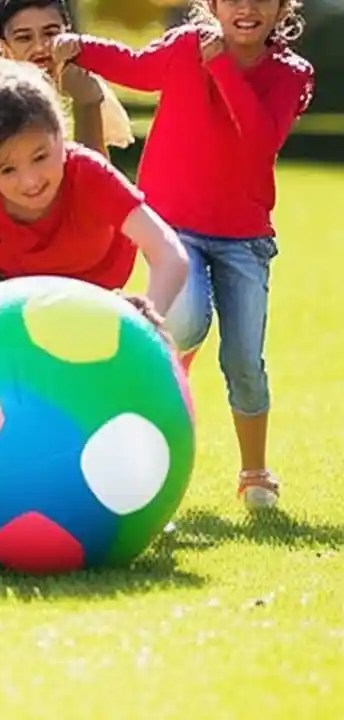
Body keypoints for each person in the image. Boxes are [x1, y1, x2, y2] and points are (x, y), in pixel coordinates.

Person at [52, 0, 314, 510]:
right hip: (176, 226)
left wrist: (218, 64)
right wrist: (81, 46)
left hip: (244, 238)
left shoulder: (290, 74)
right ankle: (160, 389)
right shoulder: (182, 48)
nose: (247, 8)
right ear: (213, 6)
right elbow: (134, 66)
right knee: (187, 319)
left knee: (244, 362)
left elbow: (260, 139)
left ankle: (254, 471)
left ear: (282, 8)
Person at [0, 55, 188, 321]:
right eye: (7, 170)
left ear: (61, 134)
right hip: (26, 303)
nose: (30, 181)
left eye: (40, 157)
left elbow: (169, 255)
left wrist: (146, 319)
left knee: (184, 315)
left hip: (99, 292)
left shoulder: (89, 175)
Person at [0, 0, 134, 155]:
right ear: (2, 45)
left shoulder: (80, 84)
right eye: (24, 38)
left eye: (50, 33)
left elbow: (95, 173)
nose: (40, 47)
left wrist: (87, 103)